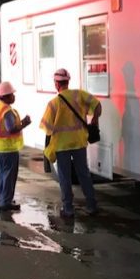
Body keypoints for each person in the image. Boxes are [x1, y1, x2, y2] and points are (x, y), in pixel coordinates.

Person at [40, 68, 101, 218]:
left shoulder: (53, 104)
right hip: (79, 142)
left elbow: (47, 128)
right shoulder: (79, 95)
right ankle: (91, 205)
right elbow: (97, 106)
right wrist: (94, 119)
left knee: (65, 177)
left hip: (62, 146)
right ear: (68, 81)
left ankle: (68, 209)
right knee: (84, 174)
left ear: (56, 84)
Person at [0, 81, 31, 212]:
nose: (14, 97)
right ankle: (5, 202)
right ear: (6, 96)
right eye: (12, 94)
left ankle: (3, 199)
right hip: (8, 149)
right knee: (9, 176)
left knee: (2, 174)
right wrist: (25, 122)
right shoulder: (6, 111)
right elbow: (11, 129)